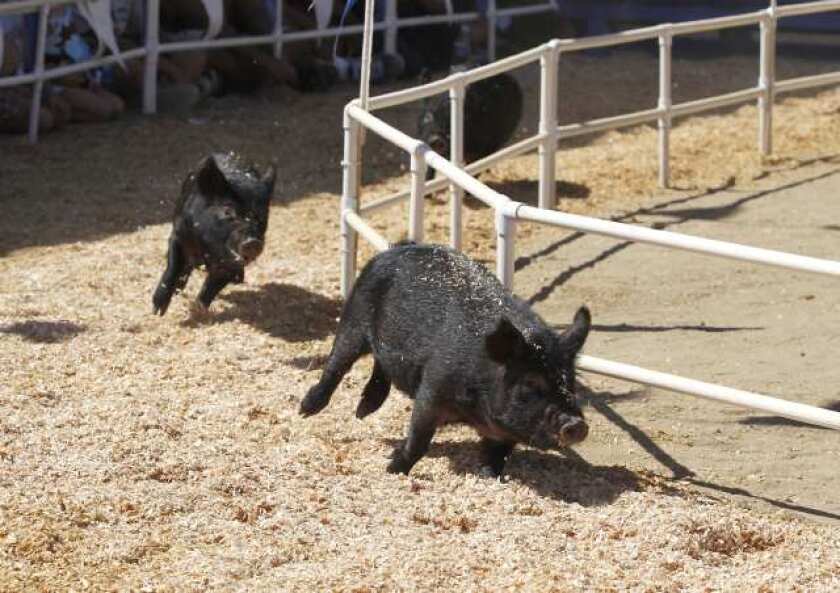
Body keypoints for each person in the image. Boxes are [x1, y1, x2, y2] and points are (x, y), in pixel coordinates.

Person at [0, 12, 70, 134]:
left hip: (19, 78)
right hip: (10, 79)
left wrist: (46, 92)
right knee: (44, 119)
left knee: (61, 113)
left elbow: (32, 57)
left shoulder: (31, 12)